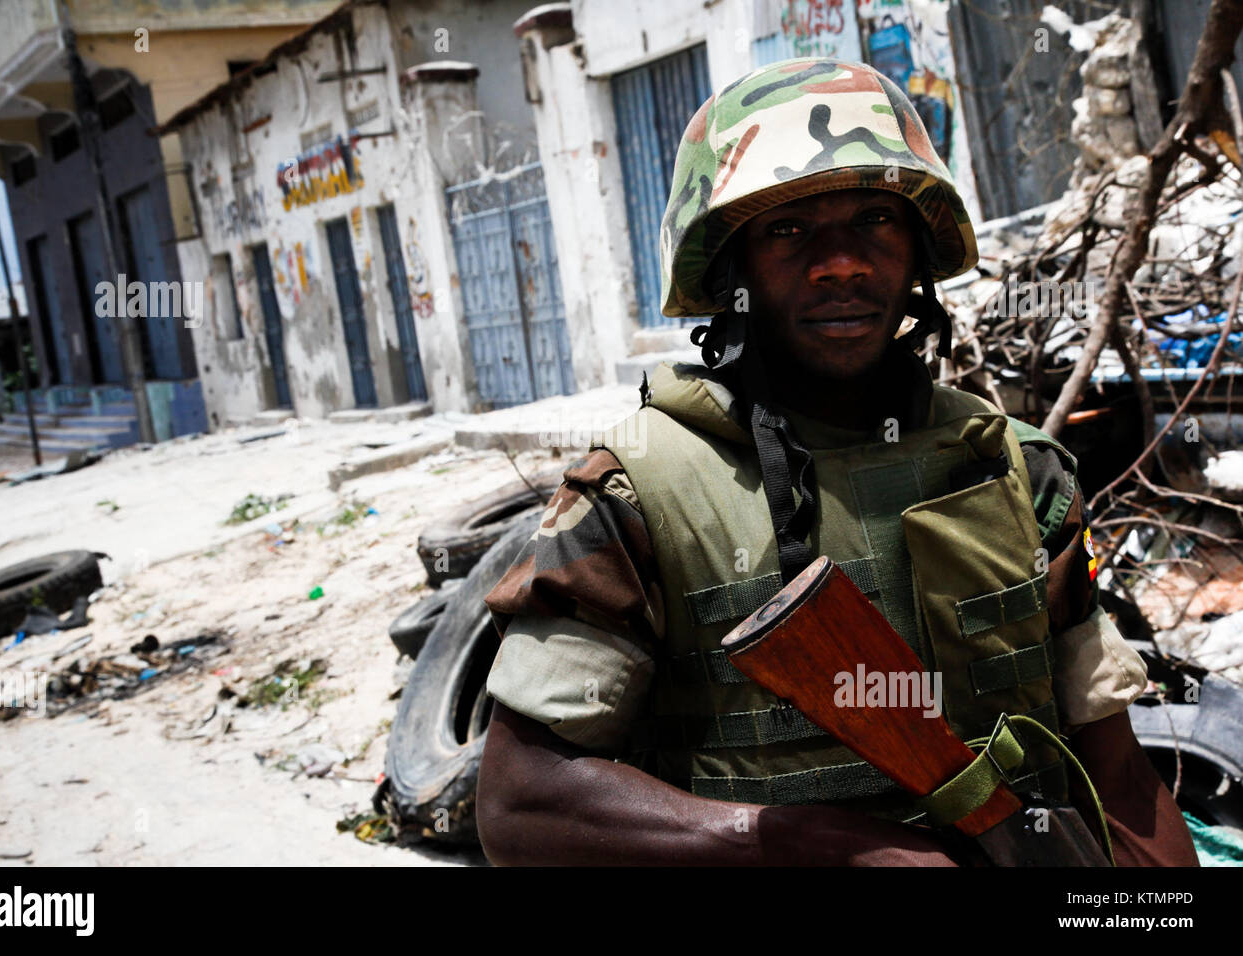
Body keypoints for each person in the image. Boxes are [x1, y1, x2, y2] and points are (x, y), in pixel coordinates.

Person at [474, 57, 1198, 866]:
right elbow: (519, 802)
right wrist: (807, 846)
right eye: (787, 229)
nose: (841, 261)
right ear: (730, 268)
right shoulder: (639, 492)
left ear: (918, 248)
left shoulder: (1020, 472)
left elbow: (1121, 775)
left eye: (873, 222)